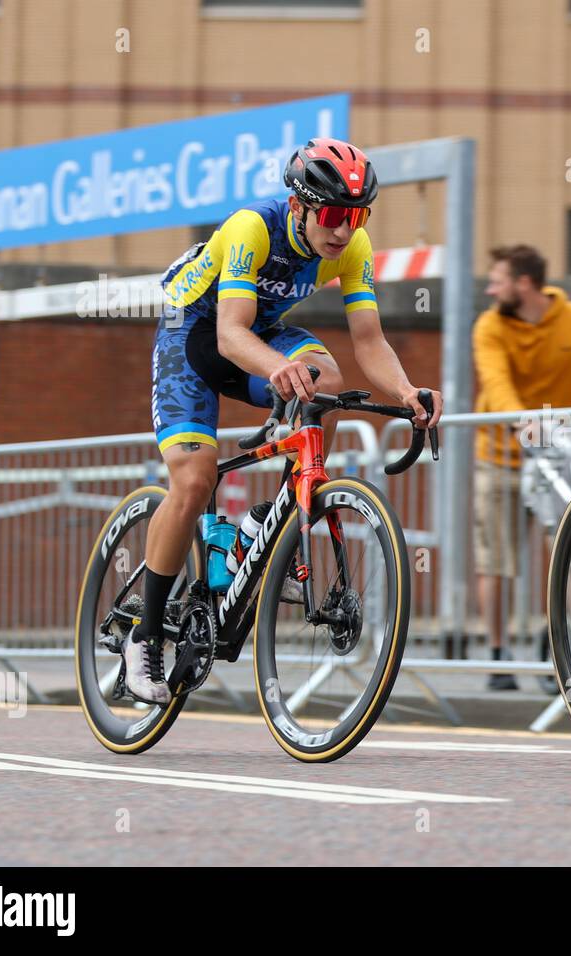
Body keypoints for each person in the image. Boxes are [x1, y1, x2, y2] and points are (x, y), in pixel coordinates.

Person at [128, 137, 443, 705]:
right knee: (196, 480)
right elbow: (227, 335)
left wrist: (405, 389)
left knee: (326, 384)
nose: (343, 231)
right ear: (298, 204)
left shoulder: (353, 247)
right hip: (195, 333)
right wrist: (277, 369)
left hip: (254, 332)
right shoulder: (252, 227)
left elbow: (369, 341)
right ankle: (144, 638)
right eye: (331, 214)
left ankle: (264, 518)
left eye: (356, 216)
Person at [473, 244, 571, 690]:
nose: (490, 288)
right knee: (495, 559)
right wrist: (524, 420)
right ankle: (499, 658)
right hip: (500, 457)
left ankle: (569, 642)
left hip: (562, 459)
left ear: (524, 284)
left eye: (497, 280)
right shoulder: (490, 327)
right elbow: (495, 380)